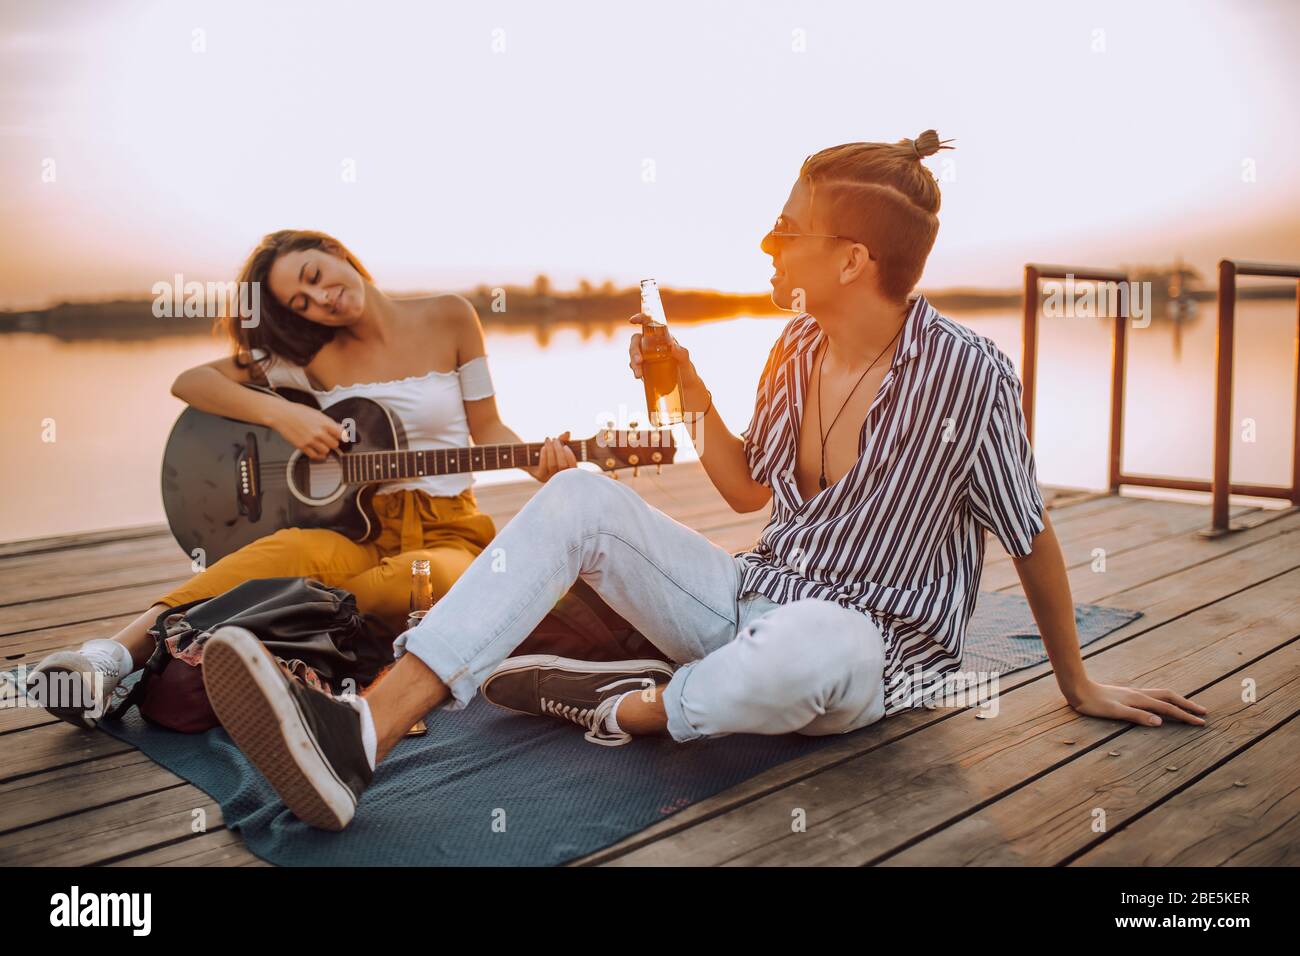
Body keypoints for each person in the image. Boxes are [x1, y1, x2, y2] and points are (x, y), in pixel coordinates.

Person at [198, 132, 1208, 831]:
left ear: (851, 257)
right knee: (579, 494)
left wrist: (1077, 680)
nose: (767, 242)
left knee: (807, 641)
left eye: (787, 229)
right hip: (745, 597)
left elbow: (1028, 531)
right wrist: (682, 383)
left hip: (869, 644)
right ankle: (360, 733)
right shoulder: (793, 347)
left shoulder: (970, 373)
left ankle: (627, 706)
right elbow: (740, 492)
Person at [25, 229, 576, 730]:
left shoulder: (452, 317)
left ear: (334, 250)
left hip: (449, 533)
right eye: (301, 302)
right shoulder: (305, 358)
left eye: (315, 277)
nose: (321, 299)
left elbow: (488, 428)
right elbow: (190, 382)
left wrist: (540, 462)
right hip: (351, 532)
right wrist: (285, 414)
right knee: (265, 560)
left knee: (395, 584)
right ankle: (107, 660)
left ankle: (251, 655)